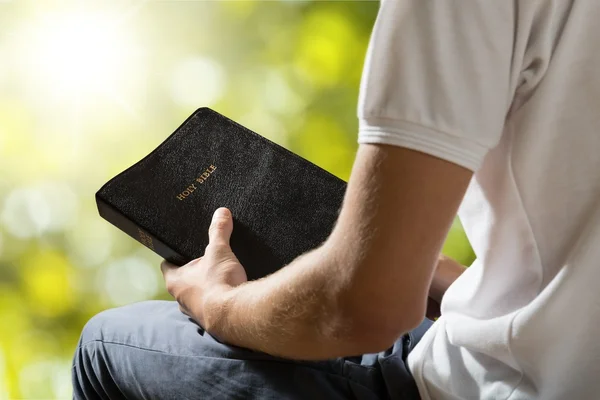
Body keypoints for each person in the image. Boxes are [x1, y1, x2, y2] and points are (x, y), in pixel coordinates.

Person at [72, 0, 600, 399]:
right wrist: (436, 273)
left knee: (103, 346)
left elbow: (363, 310)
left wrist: (219, 304)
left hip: (484, 387)